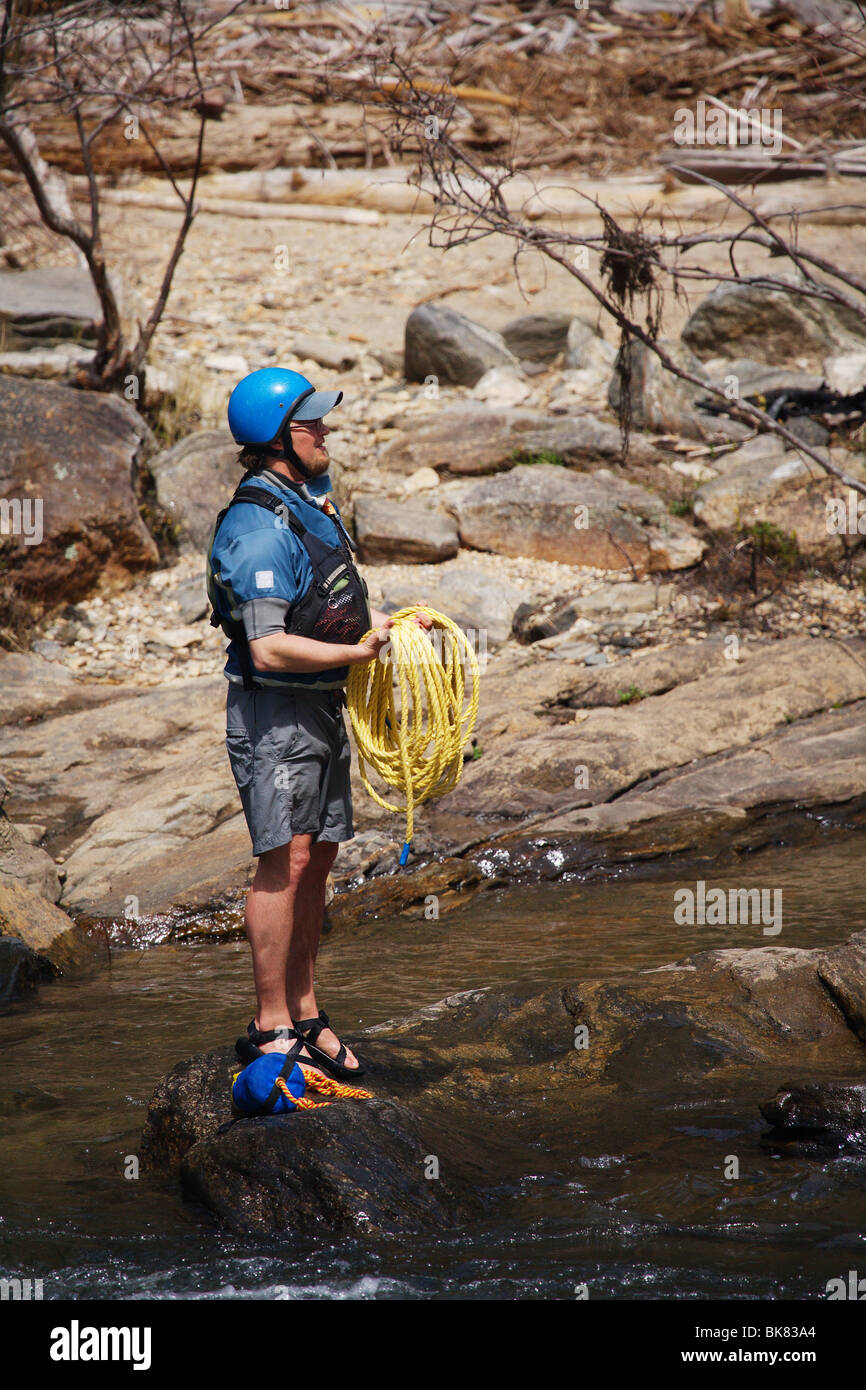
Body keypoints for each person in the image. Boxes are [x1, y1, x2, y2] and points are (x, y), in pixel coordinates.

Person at [207, 367, 432, 1079]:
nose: (326, 431)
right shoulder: (254, 527)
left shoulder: (306, 502)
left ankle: (306, 1010)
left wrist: (384, 629)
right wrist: (355, 651)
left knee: (323, 853)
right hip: (275, 713)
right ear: (277, 440)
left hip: (323, 705)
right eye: (312, 424)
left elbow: (327, 602)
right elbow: (268, 643)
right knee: (285, 860)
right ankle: (270, 1024)